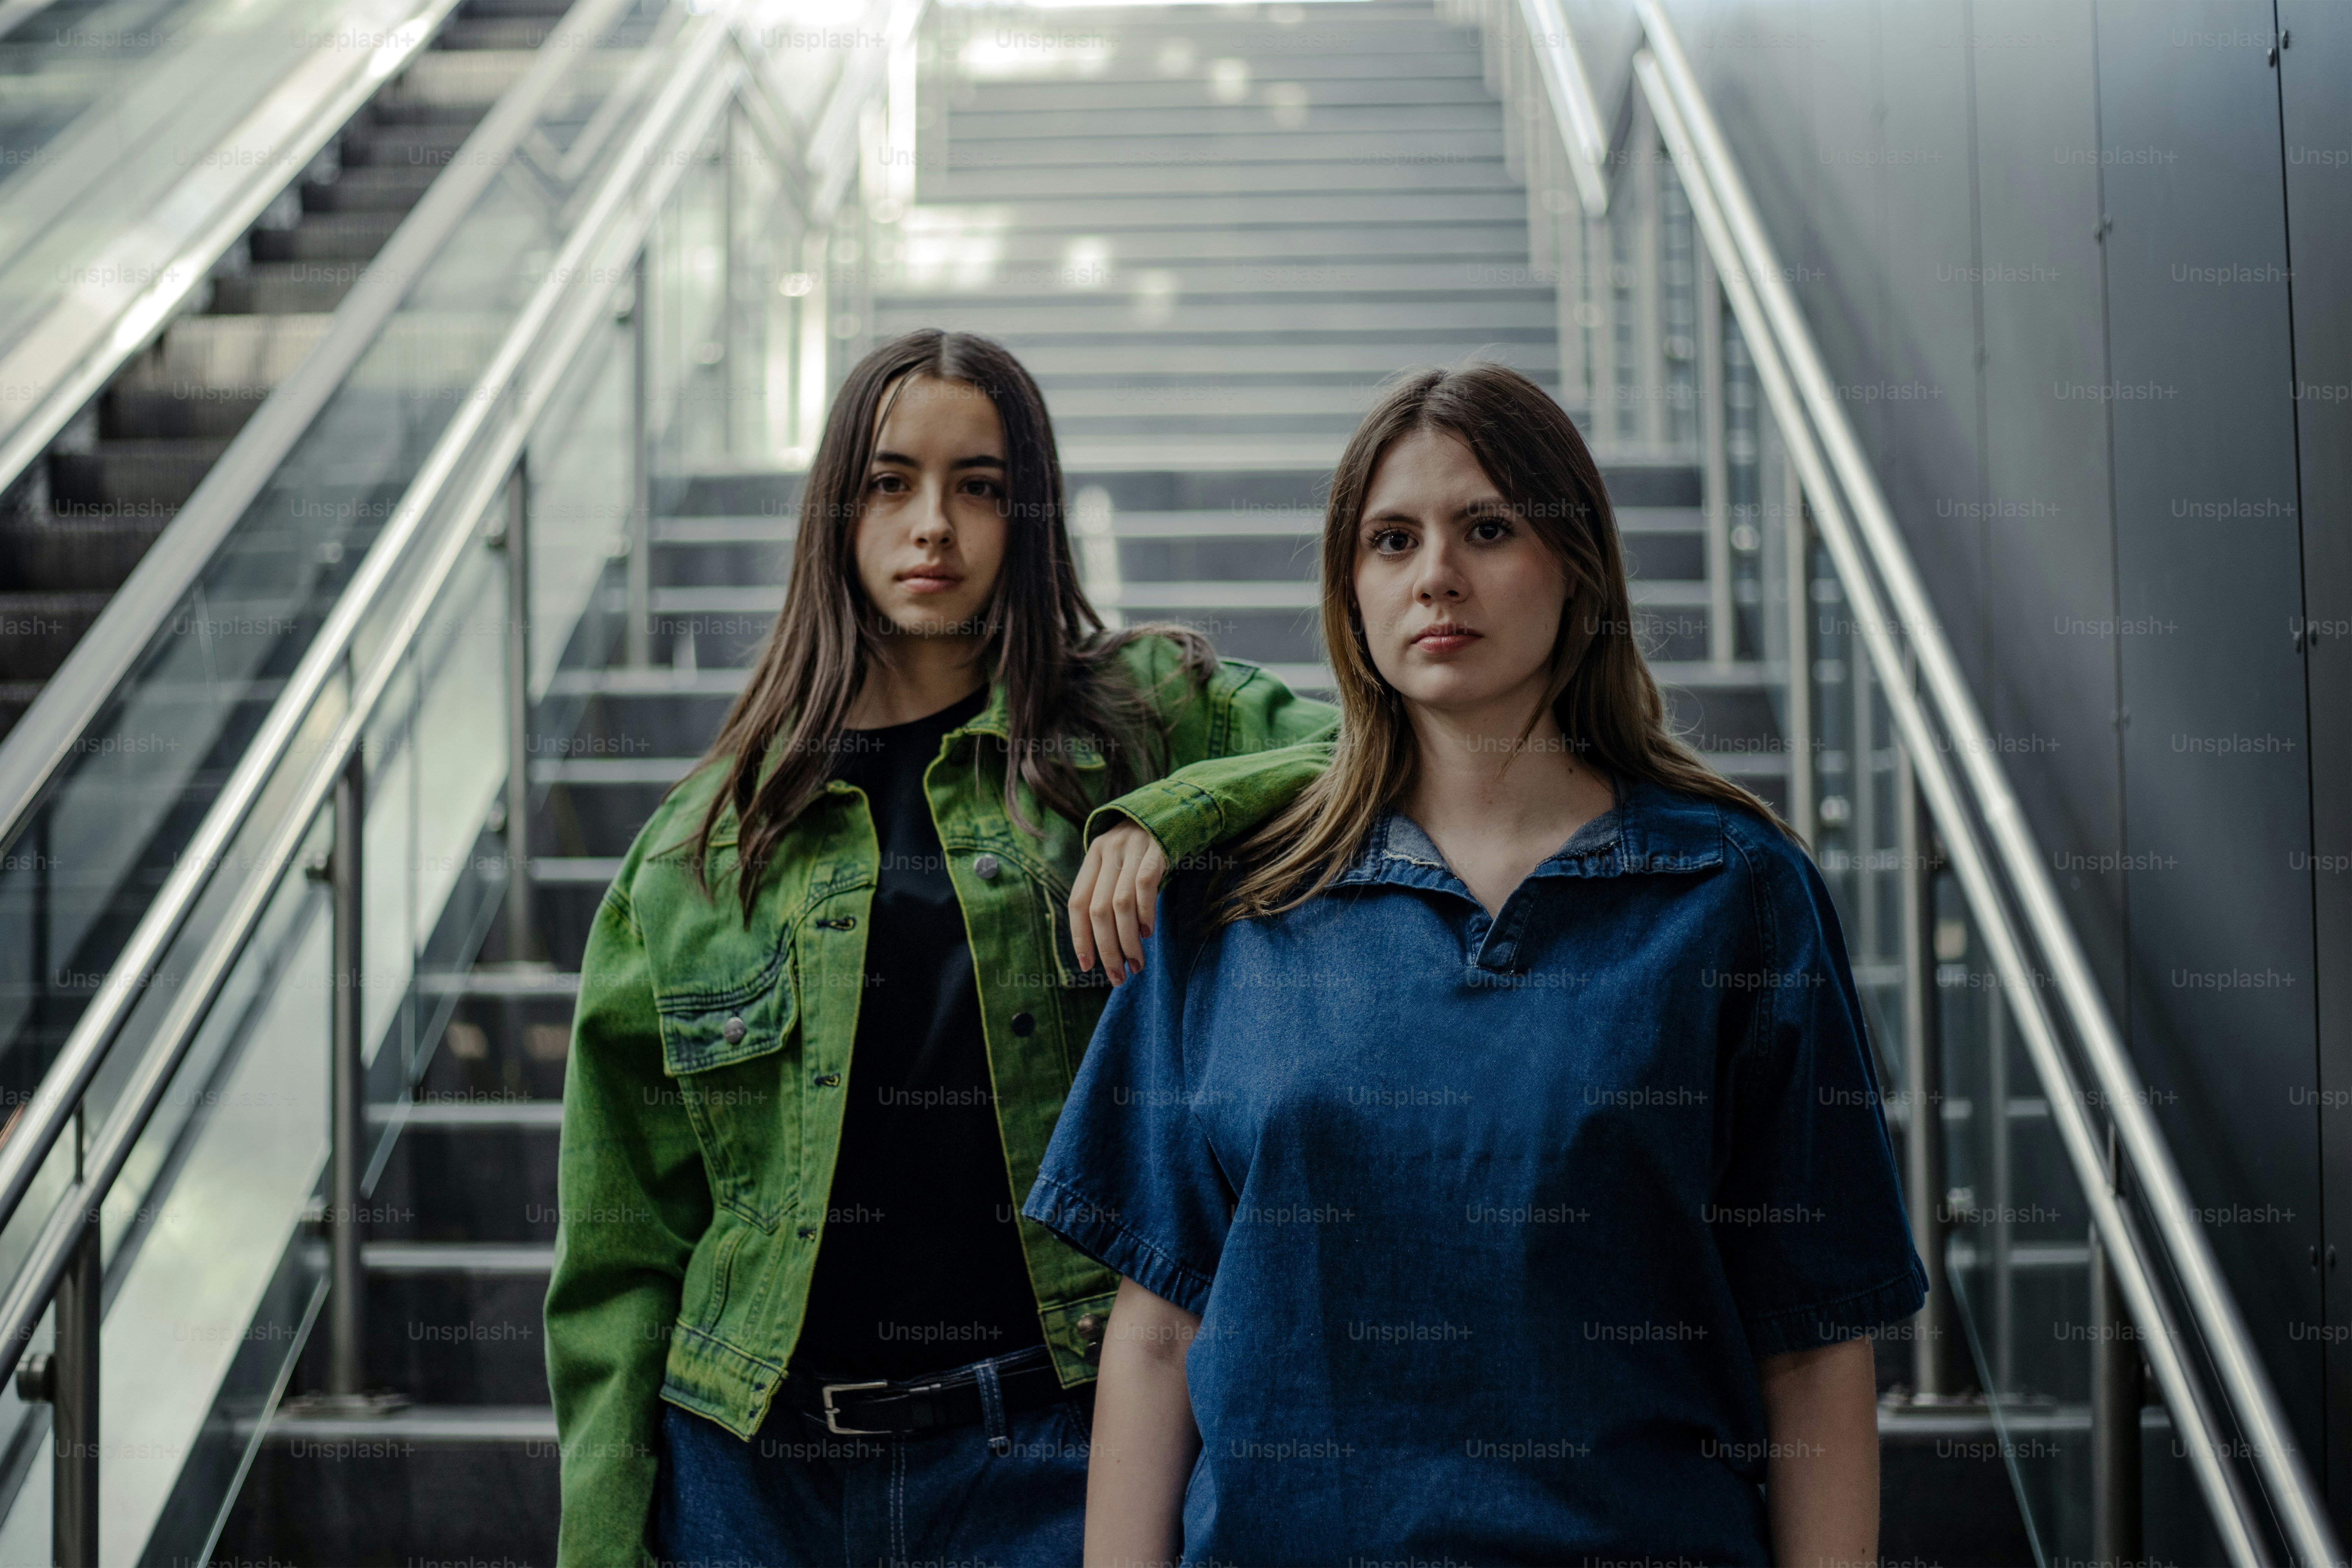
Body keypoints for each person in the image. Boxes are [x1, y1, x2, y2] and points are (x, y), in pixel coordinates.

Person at [1031, 363, 1926, 1567]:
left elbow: (1815, 1340)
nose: (1436, 575)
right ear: (1351, 594)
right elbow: (1153, 1332)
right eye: (1391, 540)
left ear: (1579, 565)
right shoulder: (1231, 904)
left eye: (1488, 528)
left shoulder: (1734, 896)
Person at [543, 329, 1335, 1567]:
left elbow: (1369, 753)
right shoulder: (695, 854)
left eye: (980, 486)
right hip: (753, 1479)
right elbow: (619, 1256)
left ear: (1029, 516)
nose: (935, 526)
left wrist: (1165, 818)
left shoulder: (1143, 720)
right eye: (890, 480)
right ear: (835, 512)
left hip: (1050, 1448)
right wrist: (600, 1545)